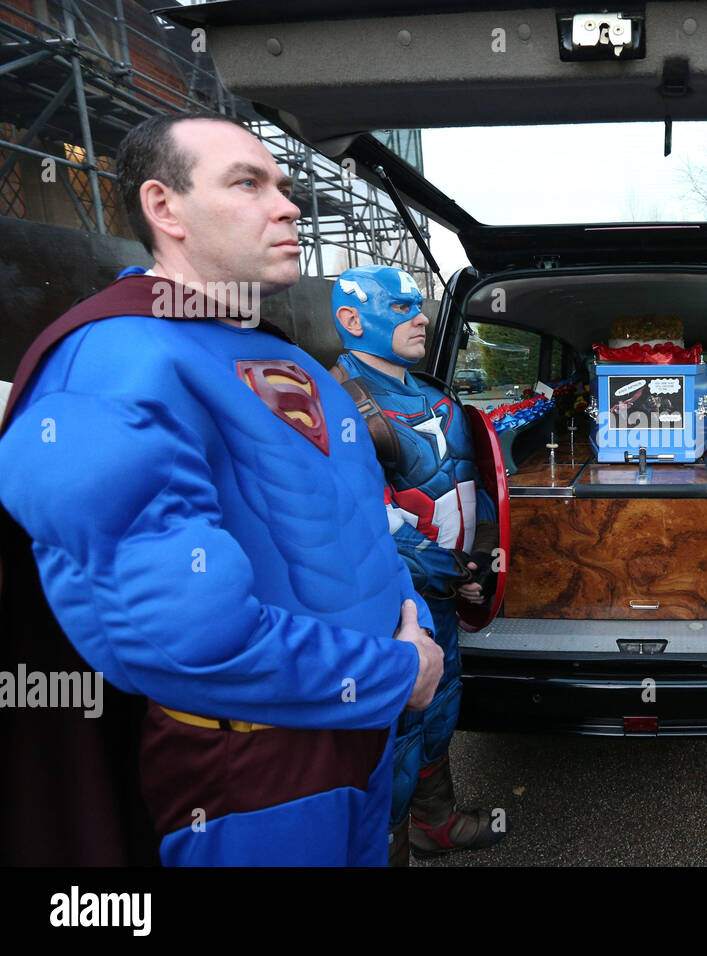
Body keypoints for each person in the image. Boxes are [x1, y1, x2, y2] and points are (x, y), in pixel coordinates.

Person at [0, 112, 443, 866]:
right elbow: (182, 639)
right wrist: (397, 673)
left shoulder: (280, 356)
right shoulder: (114, 363)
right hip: (252, 780)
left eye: (283, 184)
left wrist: (415, 625)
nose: (289, 205)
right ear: (163, 208)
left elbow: (353, 528)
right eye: (248, 183)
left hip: (360, 741)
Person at [331, 264, 506, 863]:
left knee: (440, 708)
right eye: (401, 306)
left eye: (418, 304)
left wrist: (480, 565)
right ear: (351, 320)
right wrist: (456, 572)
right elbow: (360, 524)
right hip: (391, 606)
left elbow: (478, 485)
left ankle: (437, 823)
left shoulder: (438, 396)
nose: (421, 315)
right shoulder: (334, 405)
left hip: (447, 597)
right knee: (397, 732)